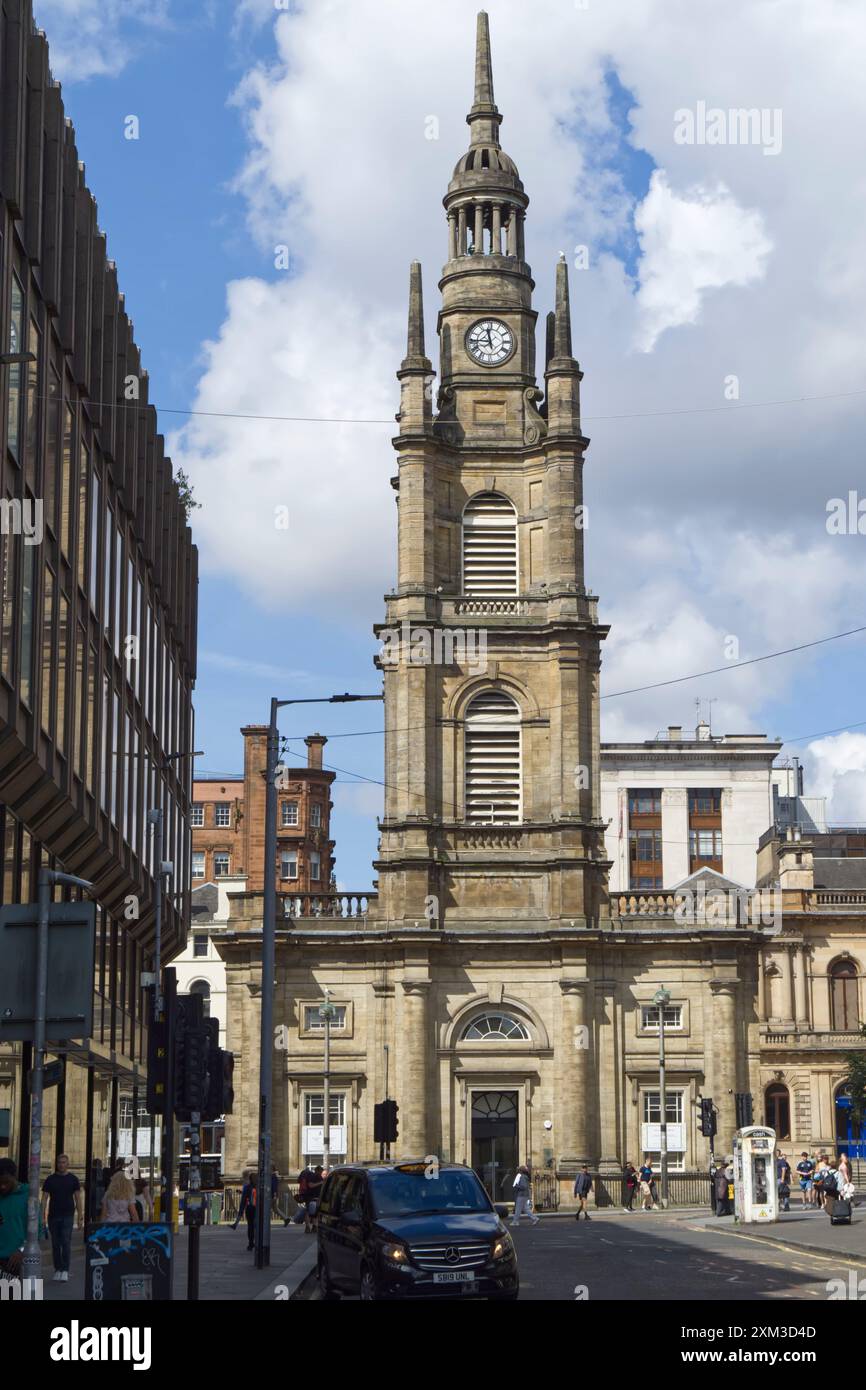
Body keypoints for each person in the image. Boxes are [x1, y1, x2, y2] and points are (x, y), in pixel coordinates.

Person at [41, 1154, 83, 1282]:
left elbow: (78, 1199)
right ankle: (57, 1269)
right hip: (53, 1215)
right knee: (55, 1244)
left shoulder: (73, 1179)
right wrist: (42, 1216)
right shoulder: (50, 1179)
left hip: (68, 1216)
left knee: (65, 1243)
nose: (61, 1164)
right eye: (59, 1162)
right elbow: (44, 1199)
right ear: (56, 1164)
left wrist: (80, 1217)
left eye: (64, 1162)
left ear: (68, 1164)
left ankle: (65, 1269)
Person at [0, 1159, 28, 1280]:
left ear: (14, 1176)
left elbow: (36, 1230)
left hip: (15, 1261)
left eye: (6, 1182)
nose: (2, 1186)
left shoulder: (28, 1195)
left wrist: (21, 1250)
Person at [234, 1172, 258, 1250]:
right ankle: (253, 1242)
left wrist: (240, 1212)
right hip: (255, 1209)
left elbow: (243, 1201)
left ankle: (251, 1243)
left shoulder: (247, 1187)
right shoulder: (259, 1187)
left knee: (251, 1226)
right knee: (254, 1226)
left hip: (250, 1209)